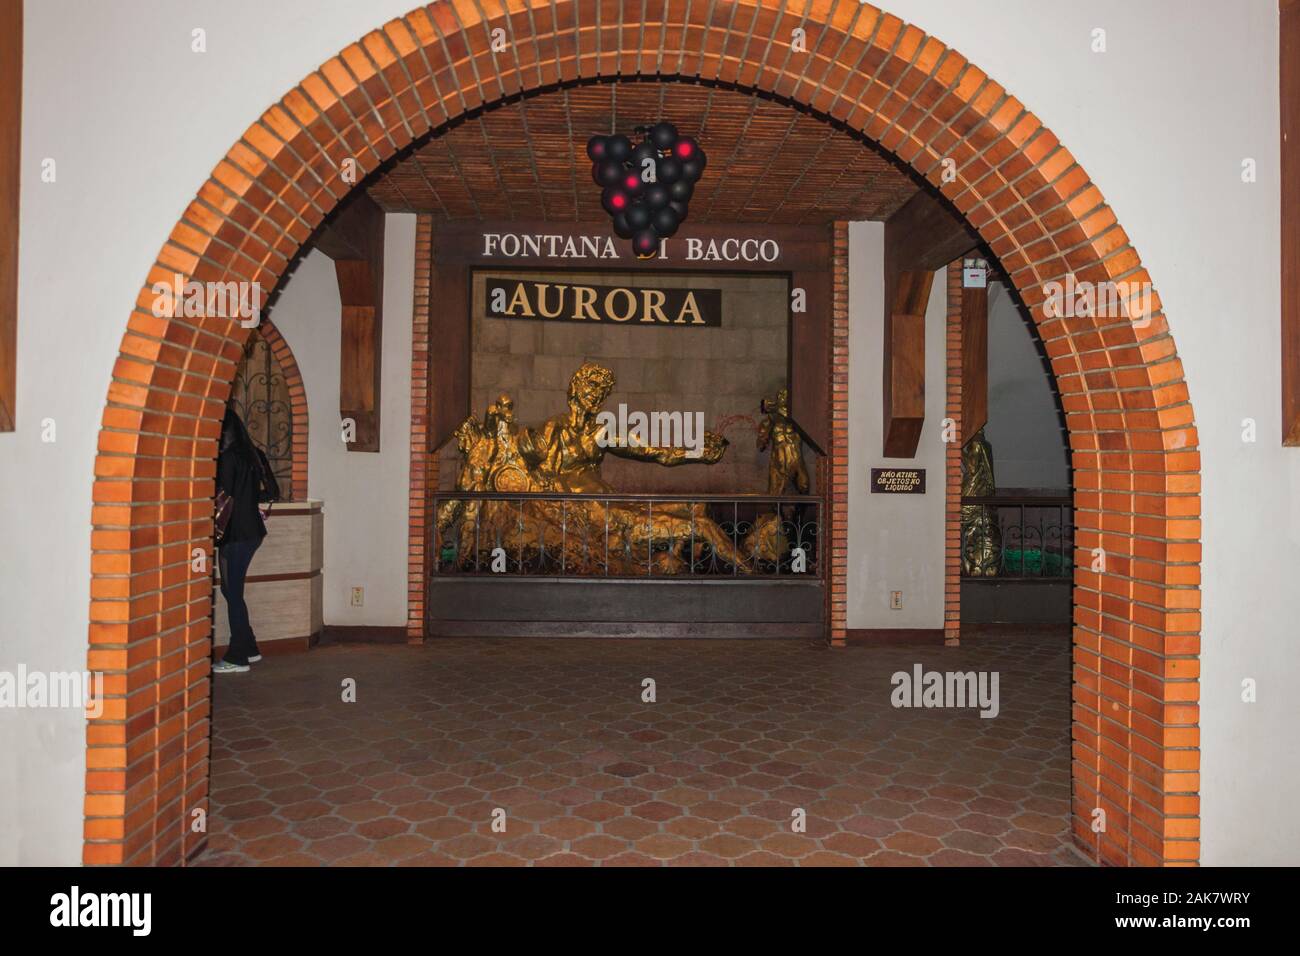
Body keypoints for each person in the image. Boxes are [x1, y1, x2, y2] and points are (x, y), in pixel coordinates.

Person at [213, 408, 269, 674]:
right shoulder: (254, 455)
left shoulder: (227, 458)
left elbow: (221, 493)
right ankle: (249, 647)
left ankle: (238, 656)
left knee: (232, 592)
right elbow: (272, 490)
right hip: (253, 531)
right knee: (232, 591)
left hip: (234, 533)